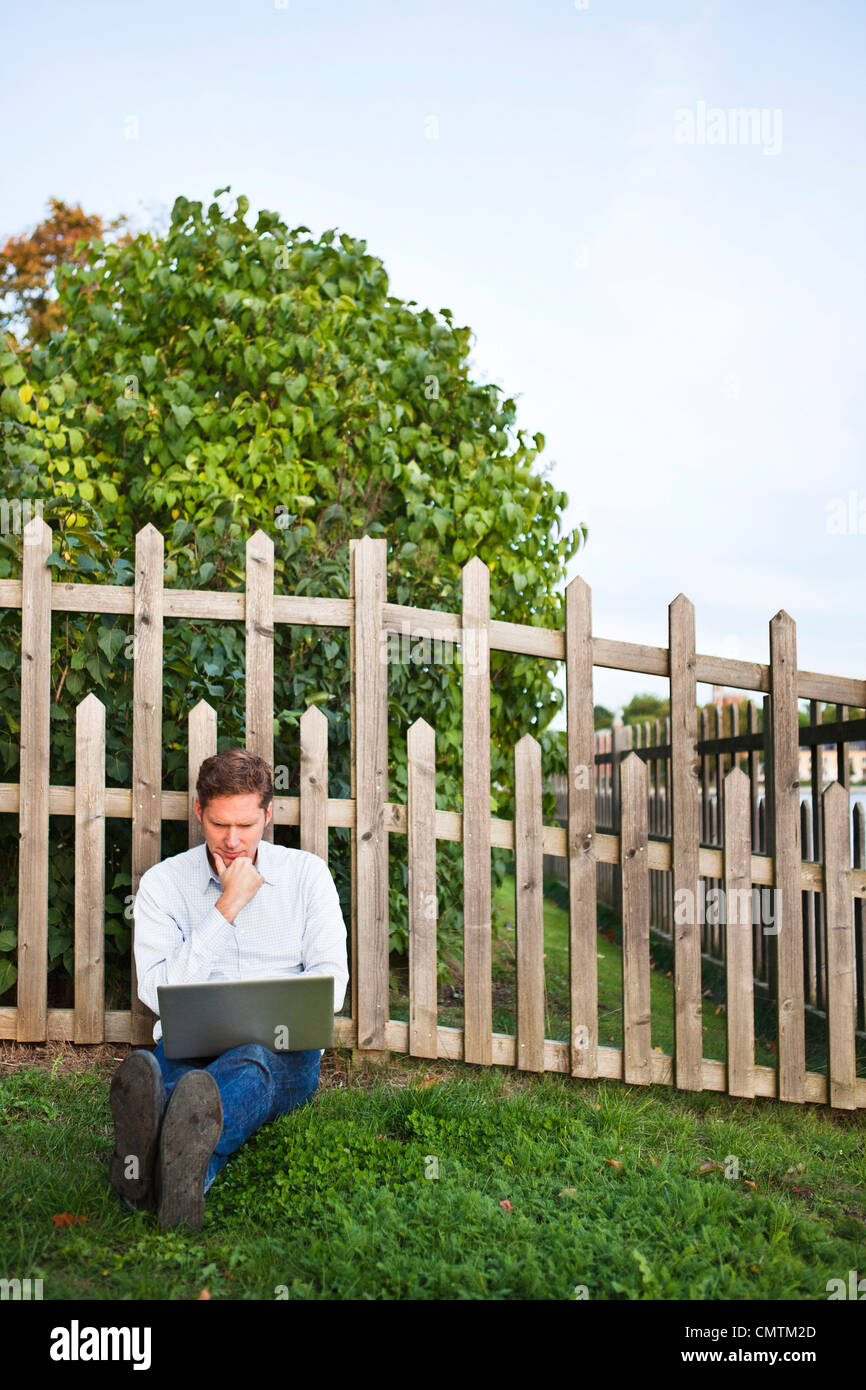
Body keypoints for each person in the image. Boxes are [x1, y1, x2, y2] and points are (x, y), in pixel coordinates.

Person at [108, 747, 349, 1231]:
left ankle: (143, 1160)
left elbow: (331, 985)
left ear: (268, 814)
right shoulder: (163, 885)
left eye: (246, 825)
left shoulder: (307, 877)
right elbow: (155, 992)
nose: (233, 841)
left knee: (253, 1063)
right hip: (187, 1050)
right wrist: (225, 910)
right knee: (181, 1075)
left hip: (282, 1054)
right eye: (220, 825)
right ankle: (185, 1181)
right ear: (199, 812)